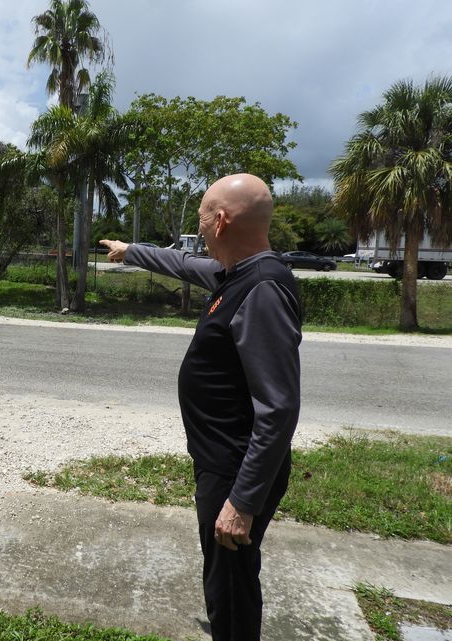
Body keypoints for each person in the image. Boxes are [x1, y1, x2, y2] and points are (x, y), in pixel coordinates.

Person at [100, 173, 302, 641]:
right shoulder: (238, 272)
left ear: (222, 220)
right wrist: (131, 251)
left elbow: (278, 408)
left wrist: (243, 501)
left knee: (230, 584)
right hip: (222, 461)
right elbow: (183, 263)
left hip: (237, 468)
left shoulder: (263, 289)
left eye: (201, 218)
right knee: (225, 575)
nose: (200, 229)